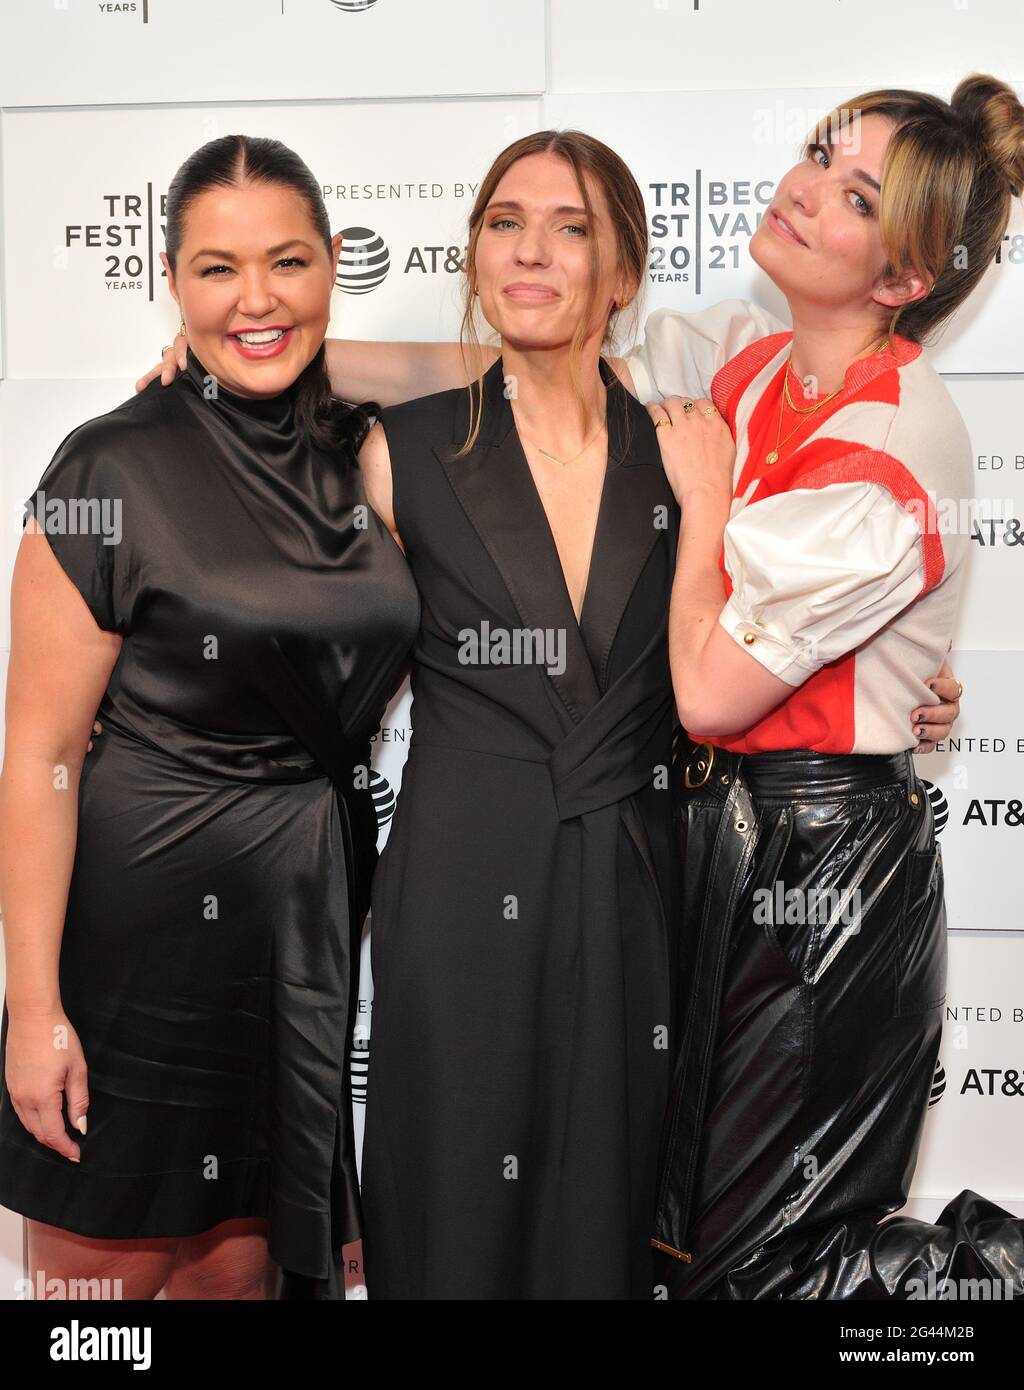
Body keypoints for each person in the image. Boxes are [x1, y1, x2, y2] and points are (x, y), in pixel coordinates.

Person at [0, 134, 419, 1301]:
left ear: (336, 264)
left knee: (238, 1276)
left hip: (298, 928)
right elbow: (37, 754)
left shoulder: (368, 455)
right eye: (216, 270)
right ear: (170, 277)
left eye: (287, 263)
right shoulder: (107, 465)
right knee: (99, 1304)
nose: (256, 300)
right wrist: (34, 1013)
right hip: (137, 931)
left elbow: (525, 372)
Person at [639, 73, 1024, 1298]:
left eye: (853, 195)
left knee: (773, 1269)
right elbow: (546, 343)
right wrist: (299, 351)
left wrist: (703, 498)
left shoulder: (891, 445)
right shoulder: (754, 362)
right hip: (725, 849)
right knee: (692, 1250)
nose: (805, 189)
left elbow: (707, 691)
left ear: (905, 279)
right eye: (820, 154)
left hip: (826, 875)